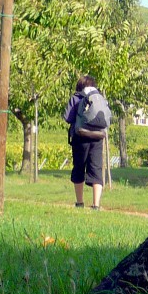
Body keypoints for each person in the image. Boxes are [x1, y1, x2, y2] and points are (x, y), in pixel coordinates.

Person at [63, 75, 112, 210]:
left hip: (80, 137)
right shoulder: (100, 98)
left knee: (79, 167)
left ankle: (80, 202)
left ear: (79, 86)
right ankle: (96, 204)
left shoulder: (76, 98)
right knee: (96, 168)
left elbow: (68, 118)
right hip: (98, 137)